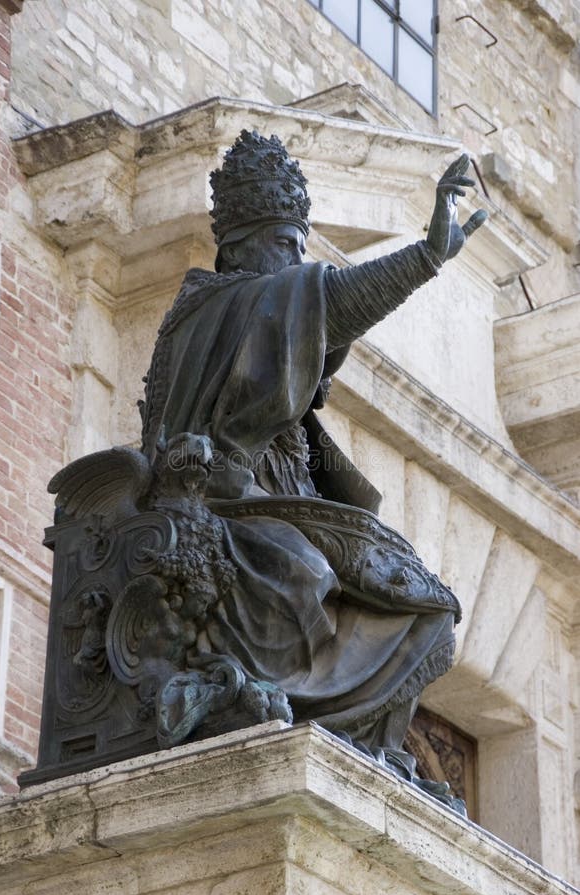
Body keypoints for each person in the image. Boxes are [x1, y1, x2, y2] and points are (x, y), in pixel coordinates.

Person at [136, 130, 487, 780]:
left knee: (427, 606)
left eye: (302, 247)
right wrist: (424, 257)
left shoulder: (261, 306)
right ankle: (255, 701)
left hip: (289, 507)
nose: (297, 261)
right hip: (225, 511)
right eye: (285, 245)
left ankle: (370, 747)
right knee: (301, 573)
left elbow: (316, 309)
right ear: (239, 247)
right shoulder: (213, 307)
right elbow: (324, 300)